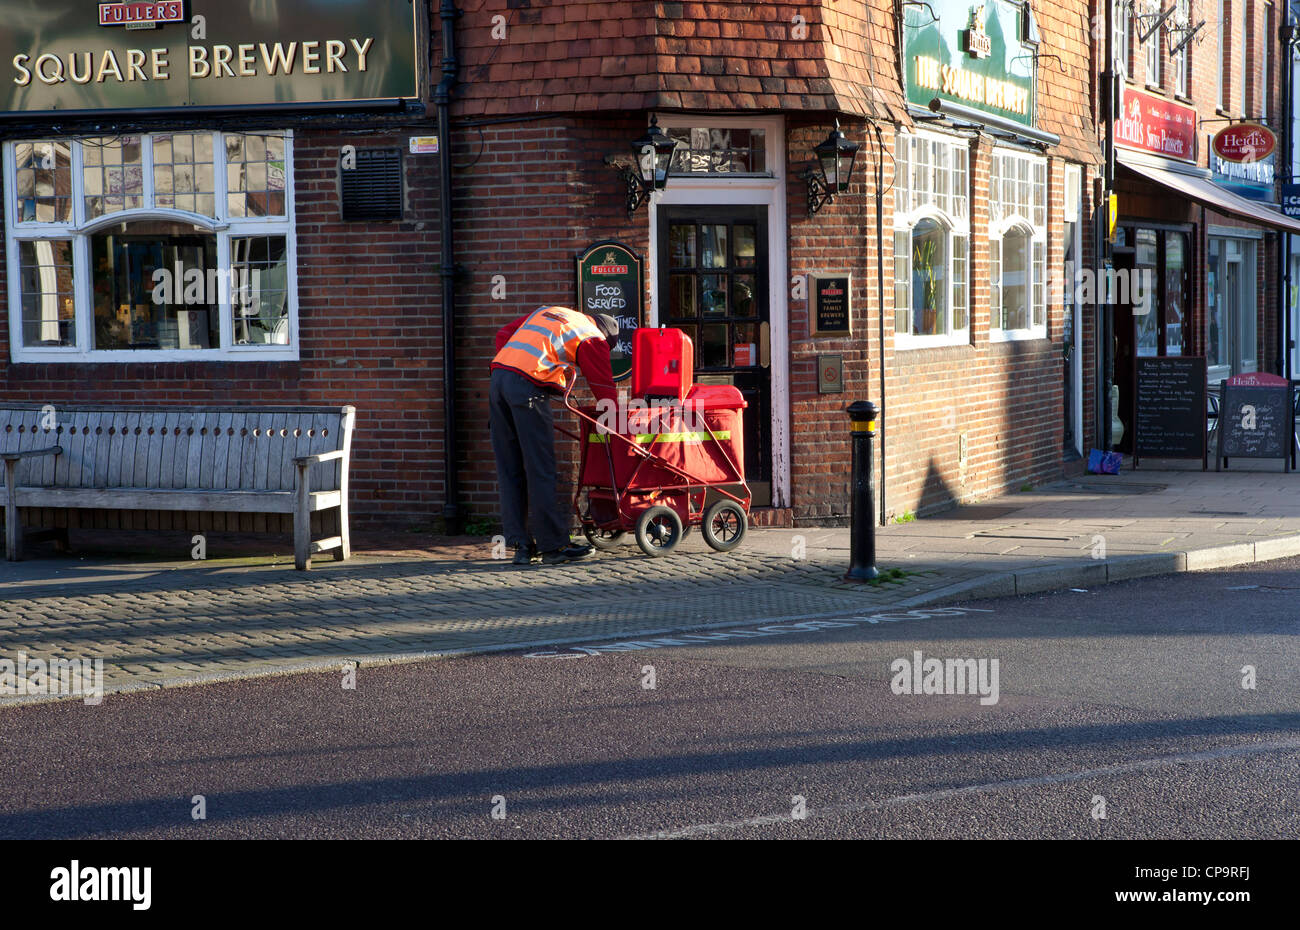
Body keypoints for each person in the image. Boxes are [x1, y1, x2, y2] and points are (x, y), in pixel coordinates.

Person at [490, 306, 619, 565]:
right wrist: (615, 418)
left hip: (499, 382)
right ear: (606, 335)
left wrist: (522, 371)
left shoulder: (550, 313)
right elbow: (603, 384)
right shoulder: (592, 336)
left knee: (510, 468)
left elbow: (504, 334)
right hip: (527, 391)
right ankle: (553, 547)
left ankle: (522, 546)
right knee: (541, 469)